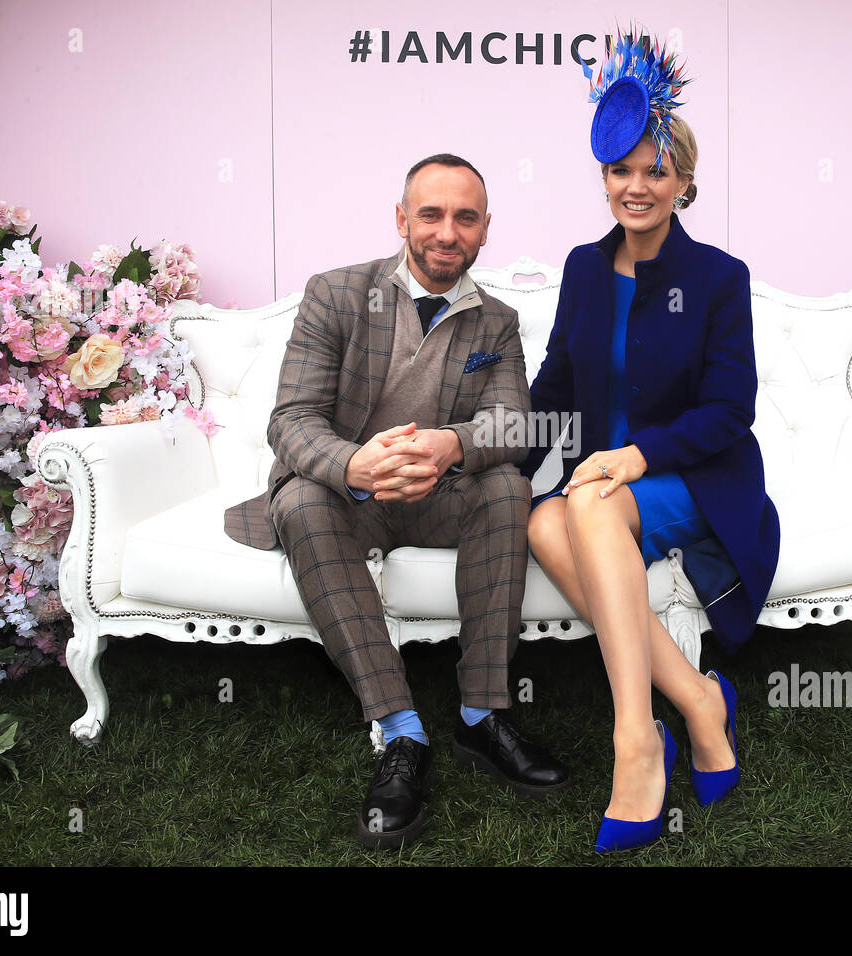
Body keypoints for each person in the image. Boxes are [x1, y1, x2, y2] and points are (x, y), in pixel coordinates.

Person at [224, 154, 570, 850]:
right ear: (402, 219)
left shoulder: (496, 322)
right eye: (432, 214)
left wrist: (448, 446)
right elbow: (291, 420)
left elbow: (511, 424)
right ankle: (401, 733)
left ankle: (482, 713)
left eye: (465, 217)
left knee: (507, 484)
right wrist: (358, 463)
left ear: (485, 229)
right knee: (299, 504)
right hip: (350, 494)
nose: (447, 232)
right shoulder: (337, 294)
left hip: (438, 495)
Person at [521, 33, 780, 853]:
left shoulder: (718, 278)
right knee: (538, 520)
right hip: (610, 488)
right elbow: (556, 390)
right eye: (620, 170)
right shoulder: (583, 269)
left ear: (684, 183)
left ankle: (635, 743)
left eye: (654, 171)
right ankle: (699, 701)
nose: (636, 187)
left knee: (588, 502)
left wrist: (634, 458)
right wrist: (495, 462)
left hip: (697, 482)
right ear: (604, 178)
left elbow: (730, 409)